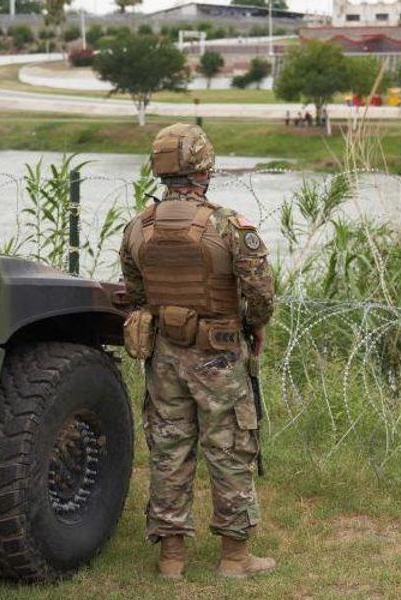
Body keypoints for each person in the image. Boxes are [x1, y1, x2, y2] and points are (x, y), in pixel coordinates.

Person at [119, 123, 277, 581]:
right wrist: (256, 327)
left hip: (164, 355)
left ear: (161, 171)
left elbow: (135, 293)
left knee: (169, 449)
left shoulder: (138, 227)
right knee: (229, 448)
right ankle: (234, 558)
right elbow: (261, 292)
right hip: (219, 353)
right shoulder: (228, 224)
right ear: (205, 169)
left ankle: (171, 559)